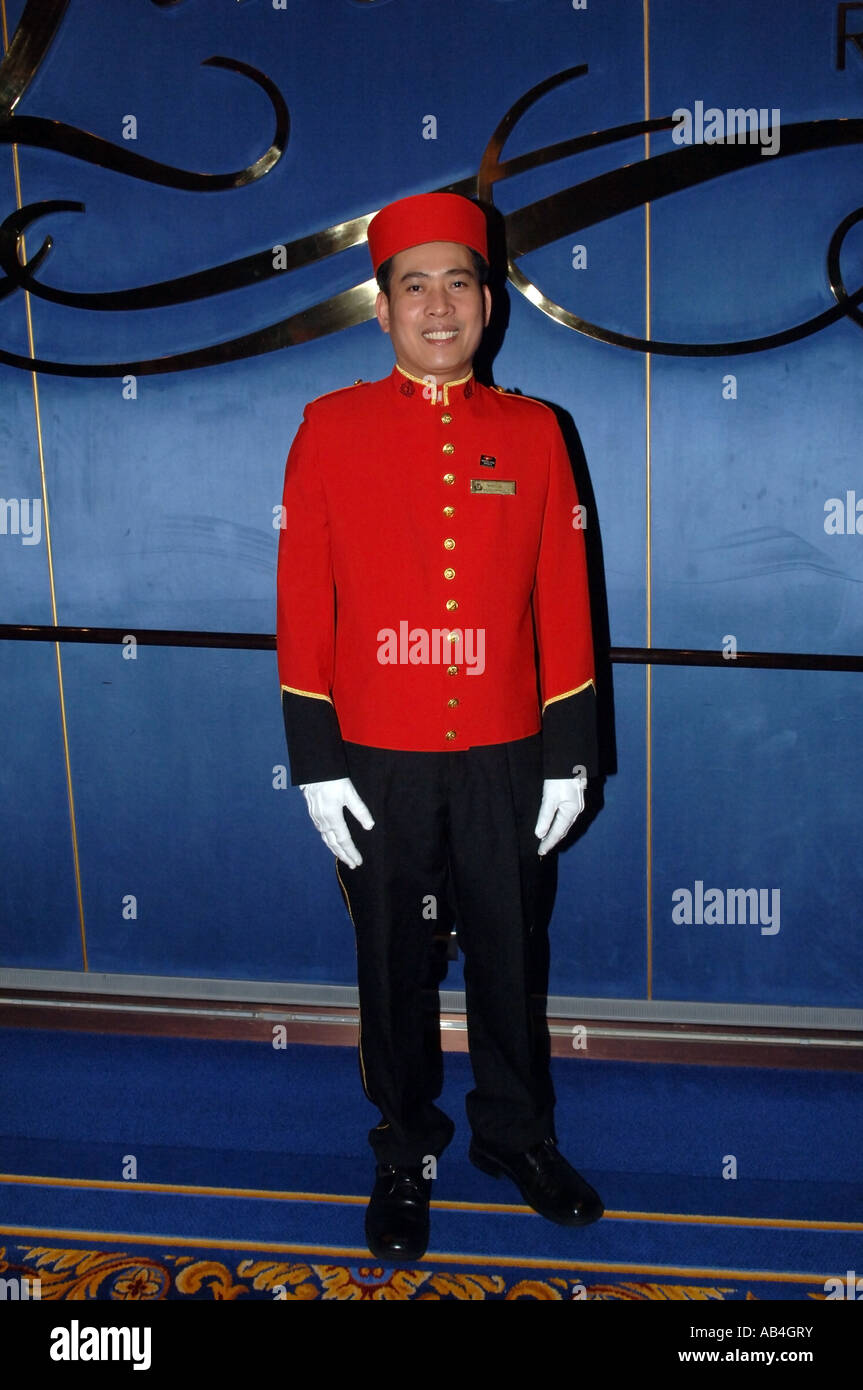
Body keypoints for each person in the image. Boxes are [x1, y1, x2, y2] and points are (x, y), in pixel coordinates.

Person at [276, 191, 603, 1260]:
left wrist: (569, 750)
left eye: (457, 282)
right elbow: (302, 598)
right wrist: (316, 759)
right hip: (379, 758)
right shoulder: (330, 427)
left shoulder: (536, 432)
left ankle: (514, 1135)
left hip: (509, 753)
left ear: (487, 304)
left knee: (512, 955)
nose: (436, 304)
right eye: (412, 284)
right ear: (382, 307)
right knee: (393, 967)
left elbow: (564, 594)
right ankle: (404, 1150)